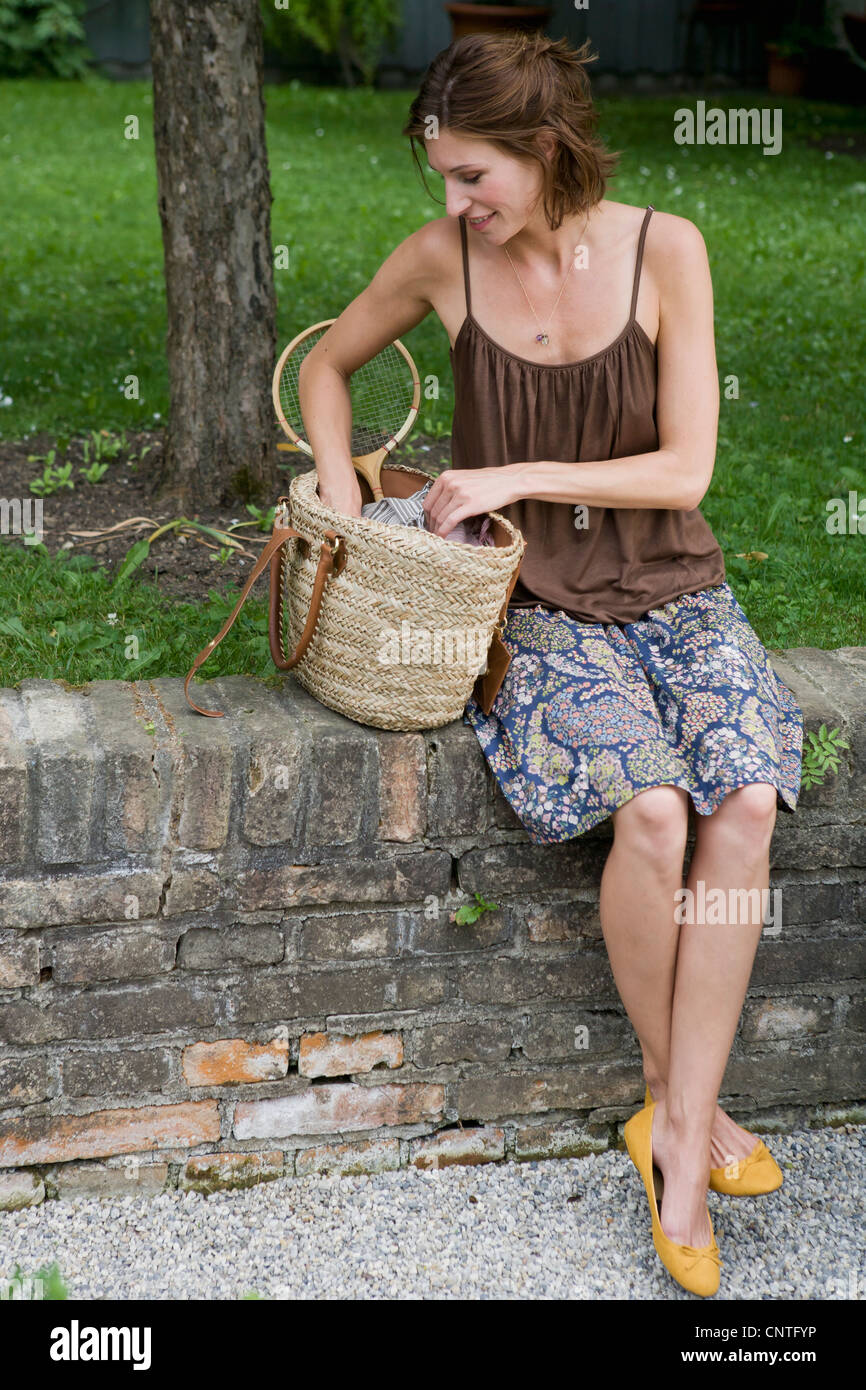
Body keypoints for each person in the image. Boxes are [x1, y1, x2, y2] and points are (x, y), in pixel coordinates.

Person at [297, 31, 803, 1298]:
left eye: (472, 175)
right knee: (646, 811)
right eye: (442, 177)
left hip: (675, 587)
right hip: (533, 606)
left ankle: (672, 1127)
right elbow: (325, 361)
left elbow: (685, 471)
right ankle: (680, 1121)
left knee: (742, 797)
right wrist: (331, 476)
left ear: (540, 149)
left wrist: (514, 469)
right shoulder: (442, 259)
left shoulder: (663, 250)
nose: (452, 202)